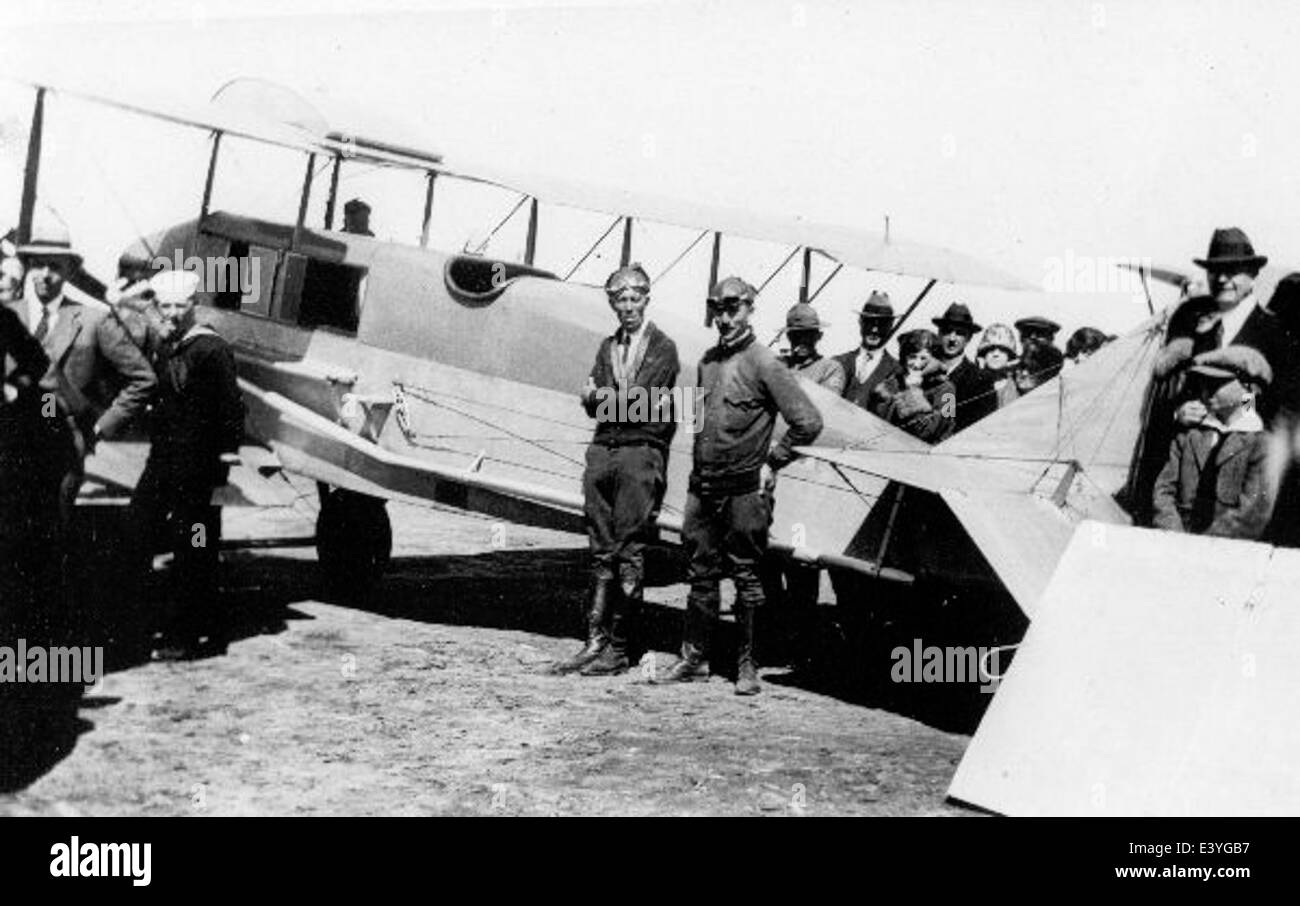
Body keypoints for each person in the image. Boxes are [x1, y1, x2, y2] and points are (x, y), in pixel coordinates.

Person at [654, 276, 823, 695]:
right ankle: (694, 658)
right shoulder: (707, 362)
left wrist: (774, 460)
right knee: (700, 573)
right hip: (704, 486)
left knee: (747, 575)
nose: (725, 318)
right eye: (718, 310)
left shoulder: (765, 363)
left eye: (733, 309)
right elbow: (694, 422)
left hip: (745, 489)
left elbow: (808, 422)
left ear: (750, 308)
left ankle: (747, 666)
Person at [555, 264, 679, 677]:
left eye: (635, 298)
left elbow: (635, 401)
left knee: (629, 551)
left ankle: (621, 648)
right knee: (600, 550)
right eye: (620, 299)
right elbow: (610, 402)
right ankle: (595, 641)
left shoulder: (663, 348)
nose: (628, 306)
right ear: (612, 303)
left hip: (639, 455)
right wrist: (614, 399)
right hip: (603, 452)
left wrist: (601, 397)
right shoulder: (607, 346)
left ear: (647, 299)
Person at [129, 270, 244, 660]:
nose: (174, 313)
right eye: (166, 306)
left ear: (194, 306)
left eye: (181, 305)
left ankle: (191, 636)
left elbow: (232, 409)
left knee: (194, 547)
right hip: (162, 465)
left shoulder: (212, 349)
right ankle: (147, 625)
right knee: (138, 531)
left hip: (200, 473)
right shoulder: (169, 347)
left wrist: (222, 467)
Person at [8, 227, 156, 528]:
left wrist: (102, 425)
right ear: (28, 267)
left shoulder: (93, 320)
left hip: (64, 449)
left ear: (70, 271)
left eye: (55, 266)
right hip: (10, 444)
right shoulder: (9, 316)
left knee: (50, 532)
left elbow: (143, 379)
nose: (45, 274)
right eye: (38, 265)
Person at [1152, 346, 1274, 539]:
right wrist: (1175, 538)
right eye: (1203, 382)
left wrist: (1205, 547)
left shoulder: (1260, 445)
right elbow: (1163, 493)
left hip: (1225, 550)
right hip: (1177, 542)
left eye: (1217, 383)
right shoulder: (1190, 435)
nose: (1205, 390)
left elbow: (1251, 513)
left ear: (1248, 388)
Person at [869, 328, 956, 443]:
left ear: (934, 360)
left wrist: (912, 389)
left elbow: (930, 431)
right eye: (912, 357)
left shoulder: (947, 390)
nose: (916, 364)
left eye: (923, 358)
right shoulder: (893, 382)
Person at [932, 302, 996, 431]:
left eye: (959, 333)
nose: (952, 338)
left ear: (969, 338)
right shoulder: (922, 367)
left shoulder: (980, 380)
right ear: (939, 333)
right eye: (947, 331)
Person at [834, 291, 897, 410]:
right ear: (860, 322)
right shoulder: (837, 363)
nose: (874, 330)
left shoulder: (897, 371)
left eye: (882, 324)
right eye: (869, 322)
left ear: (890, 326)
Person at [780, 303, 845, 394]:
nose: (802, 341)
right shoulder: (777, 366)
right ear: (789, 337)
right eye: (797, 335)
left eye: (808, 335)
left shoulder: (829, 369)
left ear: (818, 336)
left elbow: (826, 404)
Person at [977, 323, 1020, 409]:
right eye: (990, 349)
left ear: (1009, 356)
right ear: (984, 354)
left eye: (1002, 350)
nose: (996, 354)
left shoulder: (1018, 386)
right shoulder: (972, 383)